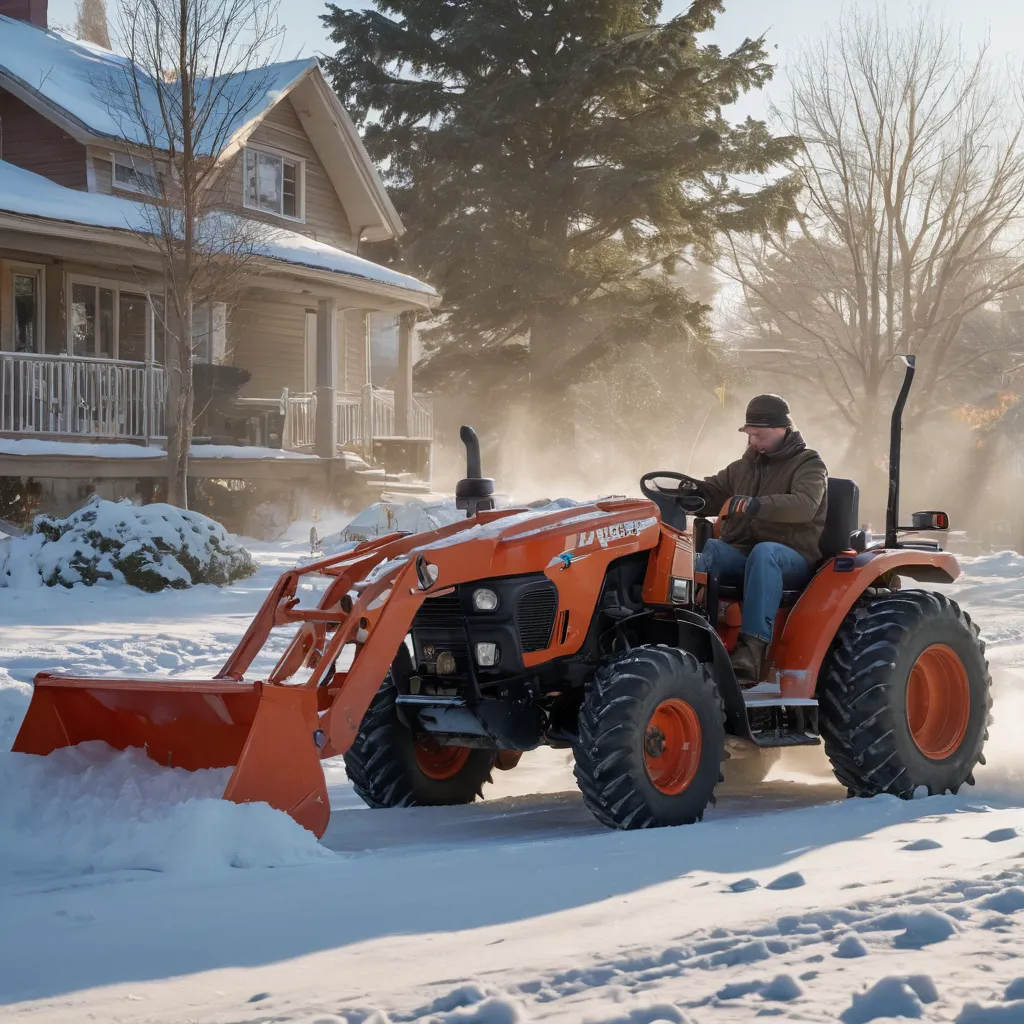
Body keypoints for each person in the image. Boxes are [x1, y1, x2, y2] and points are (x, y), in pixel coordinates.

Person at [696, 394, 827, 683]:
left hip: (791, 556)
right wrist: (687, 492)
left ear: (783, 429)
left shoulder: (809, 464)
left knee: (765, 552)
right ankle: (686, 629)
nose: (753, 441)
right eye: (749, 434)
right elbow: (711, 491)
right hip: (746, 554)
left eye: (759, 435)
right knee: (712, 549)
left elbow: (805, 505)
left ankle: (751, 650)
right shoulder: (743, 467)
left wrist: (755, 505)